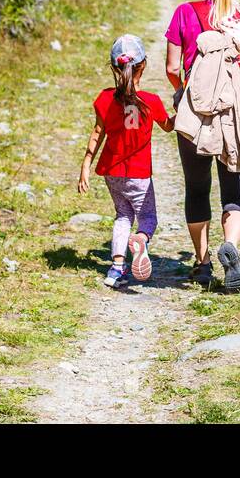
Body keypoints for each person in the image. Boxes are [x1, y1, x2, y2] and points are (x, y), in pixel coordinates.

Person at [165, 0, 240, 292]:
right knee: (235, 193)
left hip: (195, 114)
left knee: (197, 187)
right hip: (236, 117)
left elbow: (170, 67)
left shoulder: (185, 13)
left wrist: (186, 94)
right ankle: (232, 247)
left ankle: (203, 262)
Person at [78, 34, 173, 288]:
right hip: (139, 175)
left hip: (112, 174)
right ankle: (141, 241)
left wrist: (86, 165)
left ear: (114, 68)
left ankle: (116, 269)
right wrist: (181, 109)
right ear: (143, 65)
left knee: (122, 216)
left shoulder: (104, 99)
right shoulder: (150, 102)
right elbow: (168, 127)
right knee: (148, 218)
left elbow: (98, 133)